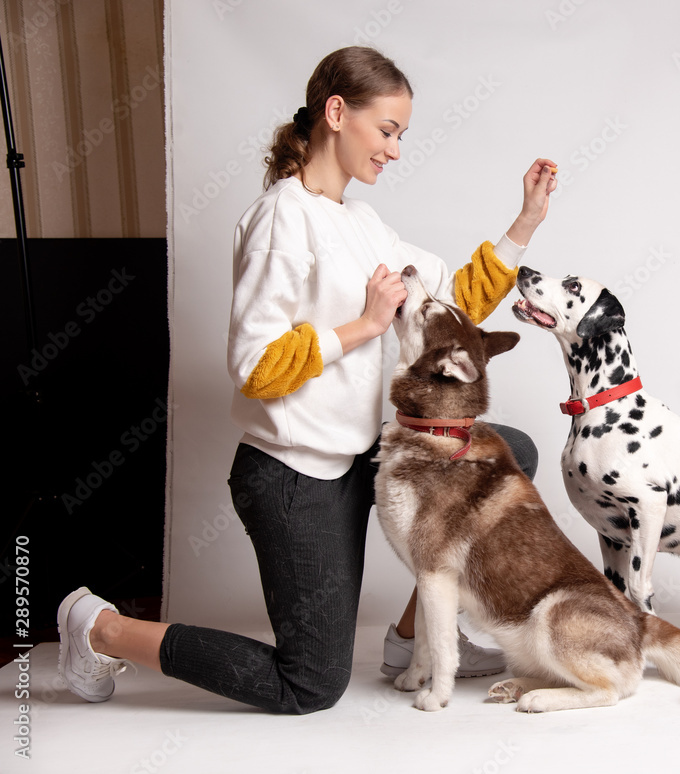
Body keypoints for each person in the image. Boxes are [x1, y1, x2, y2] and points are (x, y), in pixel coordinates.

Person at [57, 46, 556, 714]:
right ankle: (98, 626)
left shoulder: (362, 223)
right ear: (337, 112)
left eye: (402, 135)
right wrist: (364, 325)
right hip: (292, 477)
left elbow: (455, 303)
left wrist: (525, 221)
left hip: (357, 458)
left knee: (506, 454)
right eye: (388, 131)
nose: (396, 150)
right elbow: (255, 365)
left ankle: (414, 638)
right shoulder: (279, 219)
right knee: (311, 684)